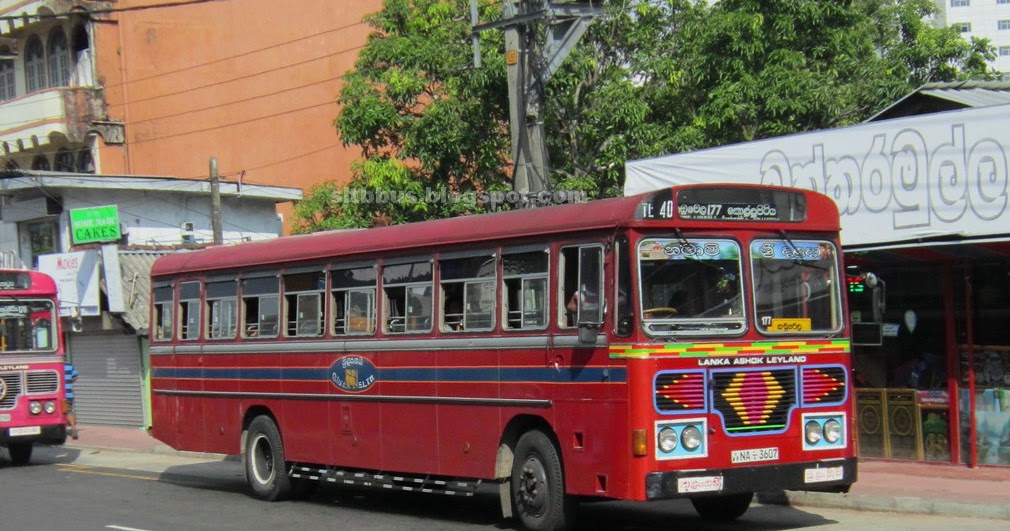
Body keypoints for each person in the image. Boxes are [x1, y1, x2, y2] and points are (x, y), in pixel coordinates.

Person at [64, 362, 79, 440]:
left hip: (56, 394)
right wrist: (69, 382)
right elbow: (75, 377)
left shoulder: (50, 364)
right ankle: (73, 429)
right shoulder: (69, 366)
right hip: (68, 394)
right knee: (69, 411)